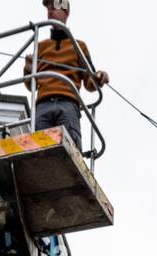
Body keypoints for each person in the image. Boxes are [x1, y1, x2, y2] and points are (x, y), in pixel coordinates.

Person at [26, 2, 109, 148]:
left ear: (66, 12)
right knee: (38, 151)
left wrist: (99, 77)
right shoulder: (41, 46)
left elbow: (90, 82)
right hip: (42, 105)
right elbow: (30, 84)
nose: (49, 13)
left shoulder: (79, 45)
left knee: (71, 149)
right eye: (48, 9)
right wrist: (27, 68)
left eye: (53, 9)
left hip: (68, 104)